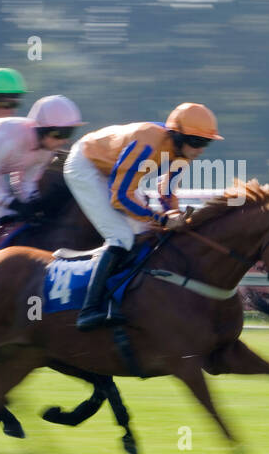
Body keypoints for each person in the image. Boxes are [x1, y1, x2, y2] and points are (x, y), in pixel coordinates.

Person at [63, 102, 223, 330]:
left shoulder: (182, 153)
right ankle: (89, 309)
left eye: (205, 143)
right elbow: (120, 197)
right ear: (176, 136)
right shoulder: (146, 144)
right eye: (196, 142)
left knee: (146, 233)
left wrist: (173, 215)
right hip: (86, 165)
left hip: (114, 171)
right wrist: (162, 219)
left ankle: (128, 298)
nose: (200, 150)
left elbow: (166, 192)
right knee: (122, 237)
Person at [0, 95, 84, 231]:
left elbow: (26, 181)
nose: (65, 141)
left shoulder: (46, 149)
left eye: (70, 133)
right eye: (60, 134)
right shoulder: (8, 140)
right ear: (42, 129)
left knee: (9, 220)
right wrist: (13, 203)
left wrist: (33, 204)